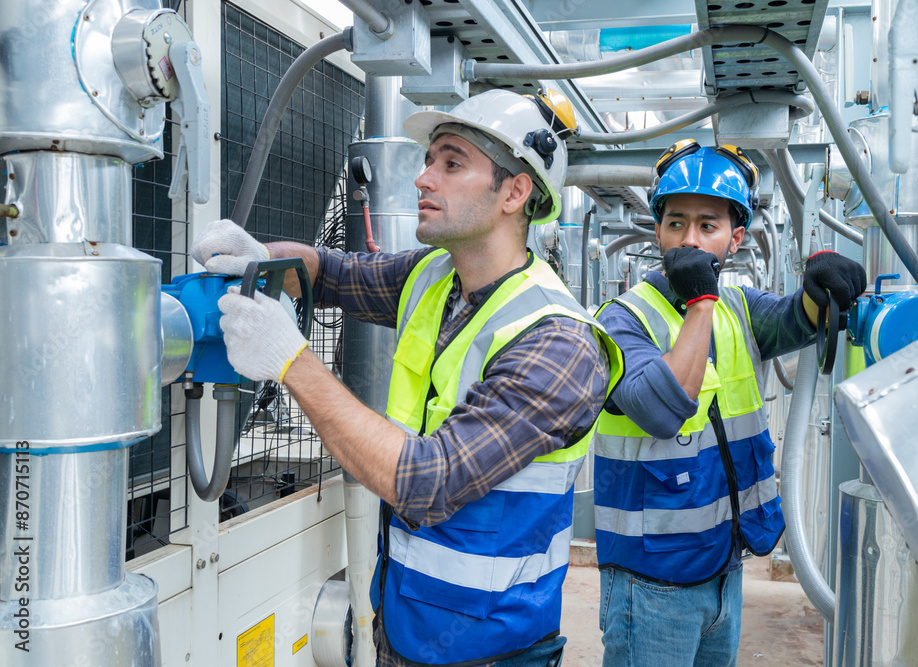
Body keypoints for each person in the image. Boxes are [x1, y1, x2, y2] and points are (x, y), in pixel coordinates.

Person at [192, 89, 623, 667]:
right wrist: (262, 259)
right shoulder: (434, 277)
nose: (423, 179)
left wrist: (290, 360)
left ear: (515, 193)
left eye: (451, 163)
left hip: (491, 649)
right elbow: (334, 273)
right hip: (401, 624)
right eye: (428, 161)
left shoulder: (558, 345)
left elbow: (430, 480)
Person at [592, 139, 866, 667]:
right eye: (675, 223)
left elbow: (796, 320)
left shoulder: (738, 308)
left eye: (707, 226)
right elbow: (661, 407)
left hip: (724, 568)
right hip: (651, 583)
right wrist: (699, 300)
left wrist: (822, 283)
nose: (688, 241)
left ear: (735, 240)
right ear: (657, 230)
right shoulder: (621, 318)